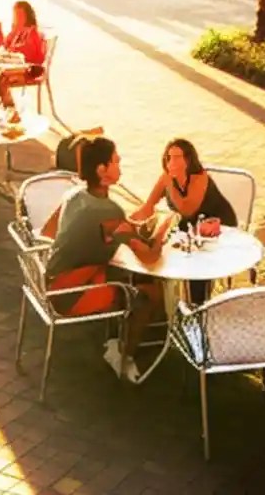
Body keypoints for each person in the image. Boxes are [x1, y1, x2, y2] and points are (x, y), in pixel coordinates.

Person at [40, 136, 168, 382]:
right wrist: (163, 229)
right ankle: (121, 355)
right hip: (69, 295)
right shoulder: (109, 211)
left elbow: (47, 232)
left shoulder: (74, 194)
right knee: (147, 296)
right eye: (116, 162)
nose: (120, 167)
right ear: (102, 170)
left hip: (52, 278)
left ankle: (116, 338)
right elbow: (150, 256)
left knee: (134, 278)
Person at [131, 138, 238, 232]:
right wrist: (128, 222)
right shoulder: (166, 177)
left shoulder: (199, 177)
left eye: (177, 158)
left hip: (218, 225)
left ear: (188, 160)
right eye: (169, 158)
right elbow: (148, 207)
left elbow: (187, 211)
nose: (171, 162)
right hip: (191, 228)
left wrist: (170, 183)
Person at [0, 1, 46, 106]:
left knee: (1, 78)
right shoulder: (17, 31)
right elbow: (2, 47)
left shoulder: (32, 32)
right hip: (17, 67)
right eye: (16, 16)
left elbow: (26, 54)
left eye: (20, 16)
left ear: (28, 17)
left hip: (31, 69)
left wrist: (11, 48)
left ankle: (8, 107)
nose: (17, 19)